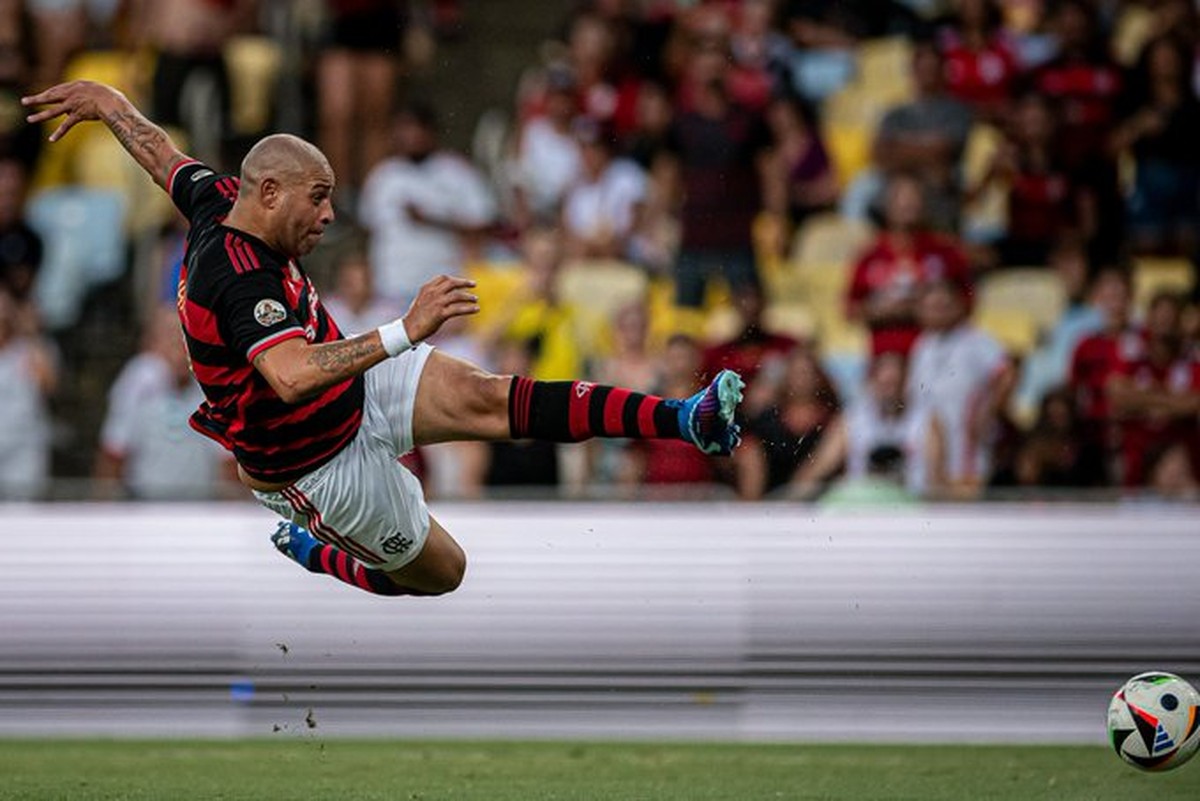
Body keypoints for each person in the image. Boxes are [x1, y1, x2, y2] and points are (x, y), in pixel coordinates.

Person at [24, 79, 744, 598]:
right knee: (441, 573)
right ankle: (316, 551)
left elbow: (159, 155)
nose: (332, 214)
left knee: (492, 398)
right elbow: (295, 374)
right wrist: (406, 329)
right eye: (319, 195)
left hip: (357, 389)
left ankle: (686, 418)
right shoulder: (236, 276)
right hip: (312, 465)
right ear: (269, 192)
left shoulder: (218, 199)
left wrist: (109, 104)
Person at [358, 102, 498, 307]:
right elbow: (368, 230)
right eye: (404, 128)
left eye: (417, 128)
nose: (411, 136)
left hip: (443, 291)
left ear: (431, 132)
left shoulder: (456, 172)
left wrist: (433, 220)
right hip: (390, 290)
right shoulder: (383, 176)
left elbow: (484, 227)